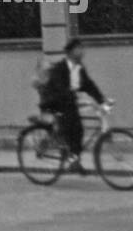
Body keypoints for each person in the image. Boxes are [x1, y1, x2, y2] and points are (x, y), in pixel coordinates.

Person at [40, 38, 110, 173]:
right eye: (78, 49)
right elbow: (59, 87)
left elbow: (89, 85)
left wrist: (102, 100)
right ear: (71, 52)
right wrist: (70, 95)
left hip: (69, 102)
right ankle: (69, 155)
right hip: (54, 101)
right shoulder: (60, 68)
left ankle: (74, 160)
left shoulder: (79, 68)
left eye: (82, 48)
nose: (82, 52)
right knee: (73, 127)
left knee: (78, 130)